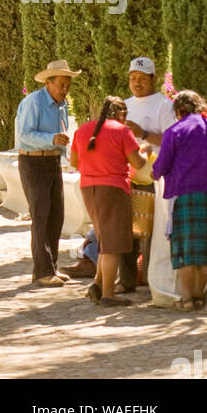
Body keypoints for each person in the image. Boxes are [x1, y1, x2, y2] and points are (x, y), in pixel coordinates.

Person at [71, 97, 145, 307]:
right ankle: (108, 294)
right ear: (121, 113)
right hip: (113, 189)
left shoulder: (83, 130)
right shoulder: (122, 131)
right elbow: (137, 162)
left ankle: (97, 285)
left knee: (104, 240)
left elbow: (75, 162)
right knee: (112, 245)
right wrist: (145, 155)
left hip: (88, 189)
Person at [14, 59, 81, 287]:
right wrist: (51, 139)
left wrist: (65, 153)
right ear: (48, 83)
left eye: (68, 85)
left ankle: (51, 267)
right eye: (61, 85)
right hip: (33, 163)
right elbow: (24, 135)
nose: (65, 90)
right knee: (41, 217)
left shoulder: (61, 105)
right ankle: (42, 272)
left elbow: (59, 135)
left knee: (56, 216)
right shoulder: (34, 102)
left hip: (52, 161)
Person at [121, 56, 177, 291]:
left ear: (153, 79)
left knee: (152, 232)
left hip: (154, 177)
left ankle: (154, 280)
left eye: (142, 79)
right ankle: (127, 280)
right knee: (127, 230)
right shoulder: (124, 104)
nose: (137, 83)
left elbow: (171, 140)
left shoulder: (164, 105)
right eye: (133, 78)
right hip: (126, 175)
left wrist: (142, 133)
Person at [152, 89, 207, 311]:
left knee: (184, 249)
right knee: (204, 251)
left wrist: (154, 172)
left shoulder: (175, 131)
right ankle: (199, 297)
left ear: (180, 111)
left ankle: (187, 299)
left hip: (184, 195)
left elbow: (162, 165)